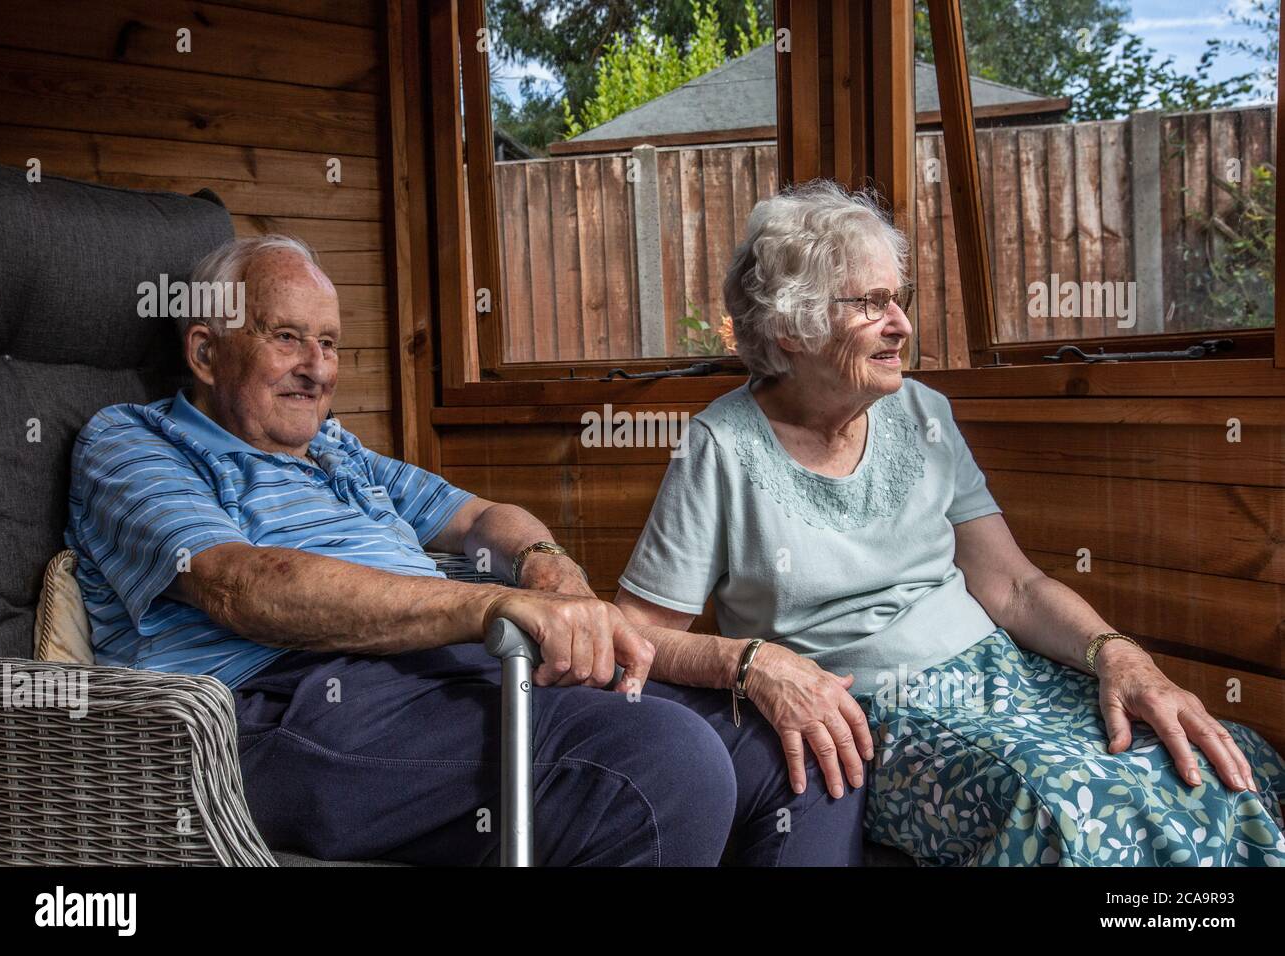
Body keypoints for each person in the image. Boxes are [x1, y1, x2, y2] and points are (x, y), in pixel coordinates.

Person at [64, 234, 862, 866]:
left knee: (805, 745)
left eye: (331, 345)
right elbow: (243, 588)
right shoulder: (134, 443)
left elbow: (482, 519)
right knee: (665, 761)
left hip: (442, 667)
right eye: (287, 340)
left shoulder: (336, 452)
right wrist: (492, 606)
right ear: (205, 354)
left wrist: (544, 565)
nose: (317, 369)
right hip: (276, 708)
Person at [616, 179, 1285, 866]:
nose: (901, 324)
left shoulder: (923, 414)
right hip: (874, 718)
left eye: (897, 299)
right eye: (872, 304)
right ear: (792, 326)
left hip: (1006, 678)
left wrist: (1119, 654)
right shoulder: (719, 446)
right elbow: (636, 636)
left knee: (1225, 759)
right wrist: (753, 665)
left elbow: (1014, 587)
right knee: (1068, 804)